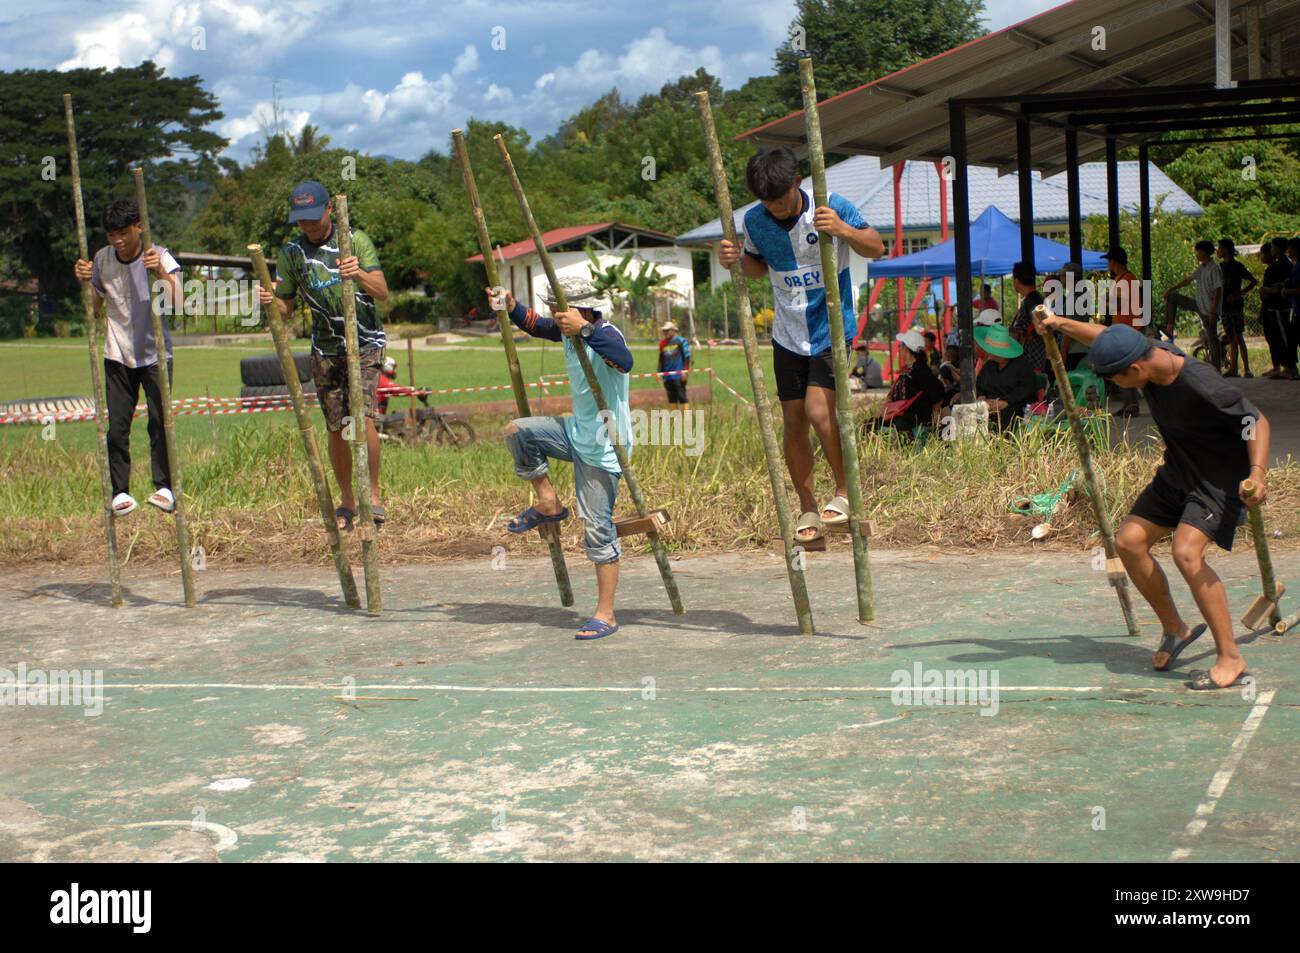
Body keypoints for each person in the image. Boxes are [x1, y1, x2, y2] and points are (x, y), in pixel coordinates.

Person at [1033, 312, 1269, 691]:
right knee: (1129, 541)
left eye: (1115, 379)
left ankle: (1231, 657)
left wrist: (1257, 474)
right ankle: (1175, 628)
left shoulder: (1199, 382)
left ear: (1136, 368)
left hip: (1217, 480)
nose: (1113, 384)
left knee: (1186, 553)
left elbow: (1255, 421)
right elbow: (1107, 337)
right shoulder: (1146, 352)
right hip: (1178, 470)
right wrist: (1058, 322)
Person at [716, 146, 884, 542]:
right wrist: (735, 260)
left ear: (797, 182)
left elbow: (876, 246)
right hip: (787, 335)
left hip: (831, 329)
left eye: (780, 200)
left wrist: (842, 230)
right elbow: (757, 267)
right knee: (793, 419)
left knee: (819, 413)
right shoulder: (755, 222)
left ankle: (844, 494)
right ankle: (808, 507)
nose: (774, 208)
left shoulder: (830, 207)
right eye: (766, 202)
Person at [495, 277, 633, 641]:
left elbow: (625, 361)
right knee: (517, 431)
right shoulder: (565, 333)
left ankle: (606, 614)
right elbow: (536, 326)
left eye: (561, 310)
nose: (554, 316)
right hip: (575, 432)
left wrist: (586, 330)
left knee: (597, 529)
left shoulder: (606, 334)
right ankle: (548, 500)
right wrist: (511, 306)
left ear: (582, 309)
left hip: (603, 447)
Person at [256, 180, 390, 531]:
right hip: (325, 348)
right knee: (337, 425)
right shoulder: (292, 253)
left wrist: (356, 272)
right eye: (302, 220)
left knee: (362, 418)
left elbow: (382, 291)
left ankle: (373, 498)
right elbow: (286, 306)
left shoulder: (355, 241)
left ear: (330, 209)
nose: (309, 226)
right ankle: (347, 500)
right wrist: (272, 300)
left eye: (314, 217)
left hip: (364, 343)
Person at [72, 198, 183, 517]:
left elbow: (178, 302)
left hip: (156, 355)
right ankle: (120, 491)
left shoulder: (158, 255)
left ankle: (164, 487)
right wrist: (84, 281)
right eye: (111, 235)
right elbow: (93, 307)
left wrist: (159, 271)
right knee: (117, 427)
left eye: (124, 233)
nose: (118, 241)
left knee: (160, 422)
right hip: (117, 354)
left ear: (139, 227)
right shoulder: (102, 259)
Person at [1163, 240, 1223, 372]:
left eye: (1197, 251)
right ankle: (1169, 326)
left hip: (1208, 309)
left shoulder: (1214, 268)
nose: (1196, 254)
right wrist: (1171, 289)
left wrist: (1213, 312)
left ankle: (1217, 368)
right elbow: (1188, 280)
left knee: (1212, 337)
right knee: (1172, 297)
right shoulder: (1202, 268)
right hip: (1198, 304)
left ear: (1203, 252)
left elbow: (1218, 291)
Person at [870, 329, 942, 434]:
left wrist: (936, 414)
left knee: (871, 427)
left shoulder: (920, 370)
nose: (900, 348)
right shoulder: (910, 369)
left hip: (912, 419)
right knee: (870, 424)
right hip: (901, 415)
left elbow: (938, 391)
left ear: (907, 349)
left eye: (901, 345)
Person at [1102, 247, 1142, 416]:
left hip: (1128, 329)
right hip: (1123, 328)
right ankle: (1127, 404)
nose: (1107, 264)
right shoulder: (1122, 279)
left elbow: (1121, 305)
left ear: (1115, 262)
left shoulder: (1127, 280)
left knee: (1126, 368)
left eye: (1109, 260)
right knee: (1122, 368)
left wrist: (1107, 299)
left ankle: (1132, 405)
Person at [974, 323, 1034, 433]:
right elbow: (979, 384)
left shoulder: (1022, 365)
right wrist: (981, 397)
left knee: (1006, 416)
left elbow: (1027, 387)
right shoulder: (989, 365)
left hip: (1013, 406)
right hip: (988, 405)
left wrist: (1005, 401)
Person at [1216, 238, 1255, 378]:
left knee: (1238, 337)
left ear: (1226, 249)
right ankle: (1234, 369)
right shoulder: (1220, 267)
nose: (1218, 250)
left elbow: (1253, 281)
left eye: (1220, 248)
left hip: (1235, 307)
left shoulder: (1237, 266)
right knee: (1232, 338)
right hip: (1225, 307)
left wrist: (1240, 293)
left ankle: (1247, 369)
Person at [1257, 238, 1294, 379]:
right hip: (1273, 307)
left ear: (1277, 249)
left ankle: (1289, 367)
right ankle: (1279, 367)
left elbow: (1279, 287)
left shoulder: (1284, 265)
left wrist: (1266, 290)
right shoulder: (1279, 265)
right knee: (1275, 337)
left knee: (1284, 337)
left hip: (1280, 307)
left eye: (1272, 247)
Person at [1008, 262, 1046, 374]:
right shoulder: (1035, 299)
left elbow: (1043, 329)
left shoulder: (1033, 301)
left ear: (1016, 281)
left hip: (1032, 360)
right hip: (1033, 359)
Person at [657, 320, 692, 412]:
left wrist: (686, 371)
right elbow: (661, 359)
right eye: (664, 331)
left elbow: (687, 357)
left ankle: (686, 419)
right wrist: (659, 372)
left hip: (679, 374)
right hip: (667, 376)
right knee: (671, 398)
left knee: (681, 396)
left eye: (668, 330)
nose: (666, 332)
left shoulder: (681, 341)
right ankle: (676, 420)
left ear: (673, 330)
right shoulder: (662, 344)